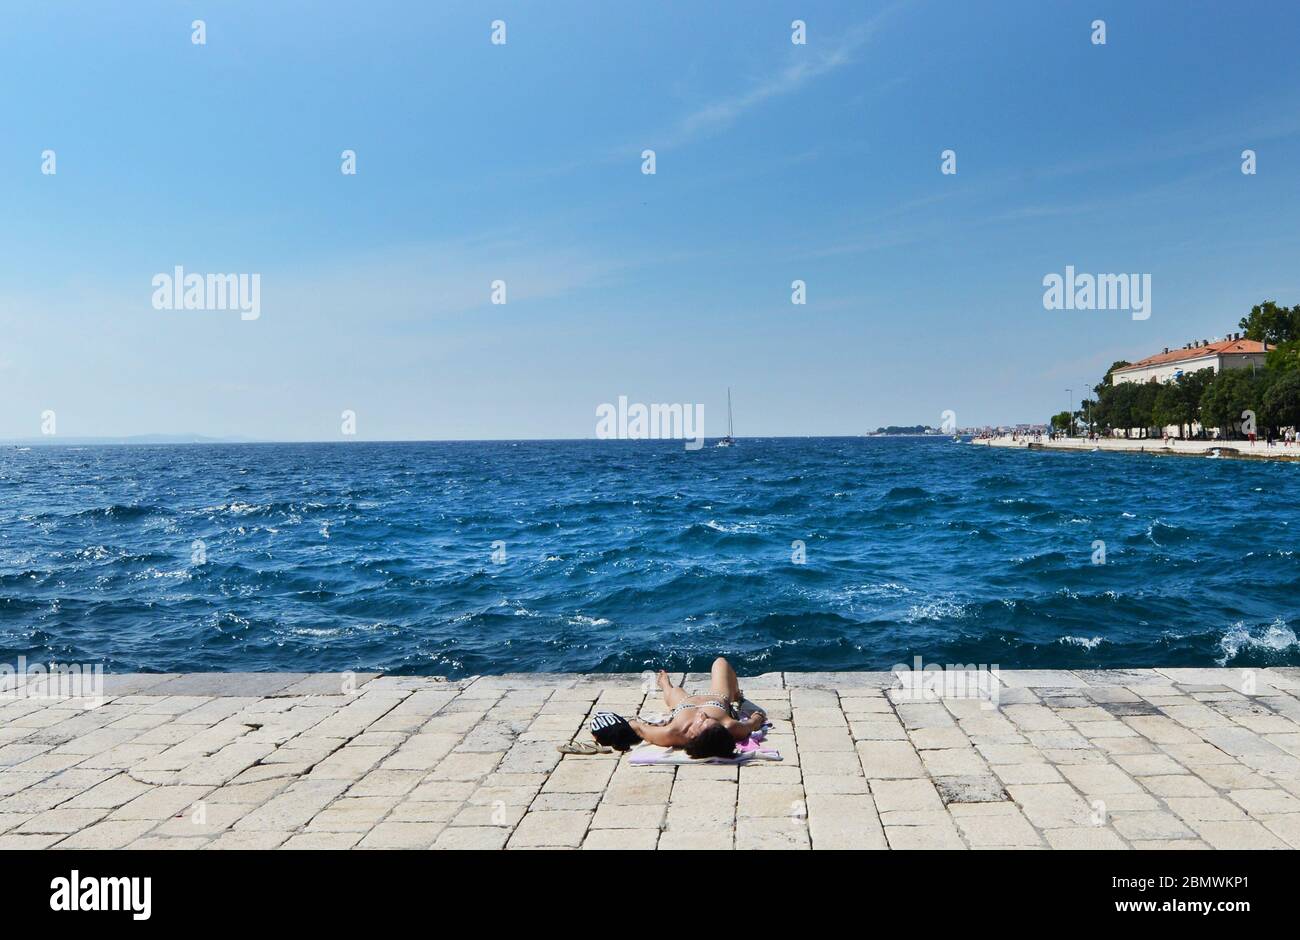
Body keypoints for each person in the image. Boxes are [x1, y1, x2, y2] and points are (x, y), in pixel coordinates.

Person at [623, 658, 767, 759]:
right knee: (720, 662)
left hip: (684, 704)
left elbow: (638, 728)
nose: (703, 715)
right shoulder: (729, 727)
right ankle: (736, 694)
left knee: (674, 692)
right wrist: (757, 716)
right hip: (717, 697)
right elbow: (753, 723)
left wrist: (627, 725)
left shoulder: (672, 733)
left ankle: (665, 685)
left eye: (703, 721)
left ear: (693, 736)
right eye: (710, 719)